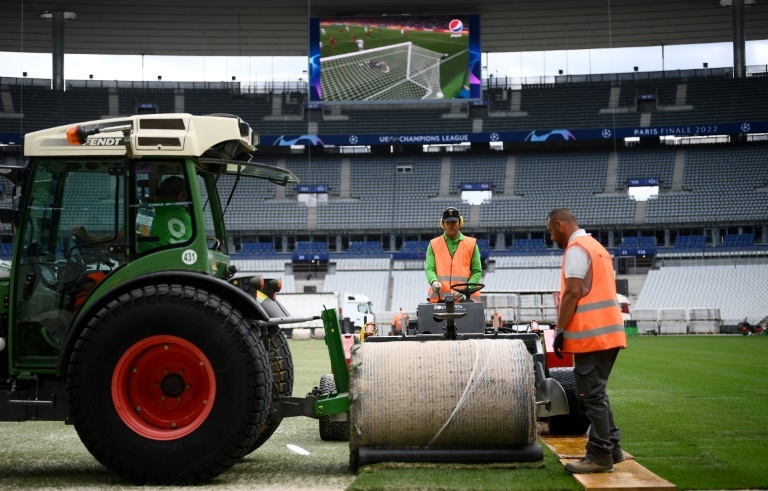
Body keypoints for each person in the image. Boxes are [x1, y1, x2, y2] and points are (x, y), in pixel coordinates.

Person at [546, 208, 627, 474]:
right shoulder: (596, 247)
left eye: (551, 231)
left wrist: (560, 330)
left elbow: (571, 293)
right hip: (609, 331)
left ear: (560, 225)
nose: (551, 237)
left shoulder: (577, 249)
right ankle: (612, 448)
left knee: (589, 395)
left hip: (592, 335)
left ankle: (599, 456)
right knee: (596, 392)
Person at [425, 207, 482, 303]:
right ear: (442, 224)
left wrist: (466, 290)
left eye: (454, 222)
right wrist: (433, 281)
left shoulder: (472, 244)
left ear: (460, 223)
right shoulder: (433, 244)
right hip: (440, 300)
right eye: (448, 222)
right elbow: (430, 269)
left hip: (466, 300)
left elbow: (477, 271)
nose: (451, 225)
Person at [136, 175, 192, 252]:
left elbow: (122, 237)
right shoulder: (189, 219)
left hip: (146, 261)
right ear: (180, 196)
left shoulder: (147, 213)